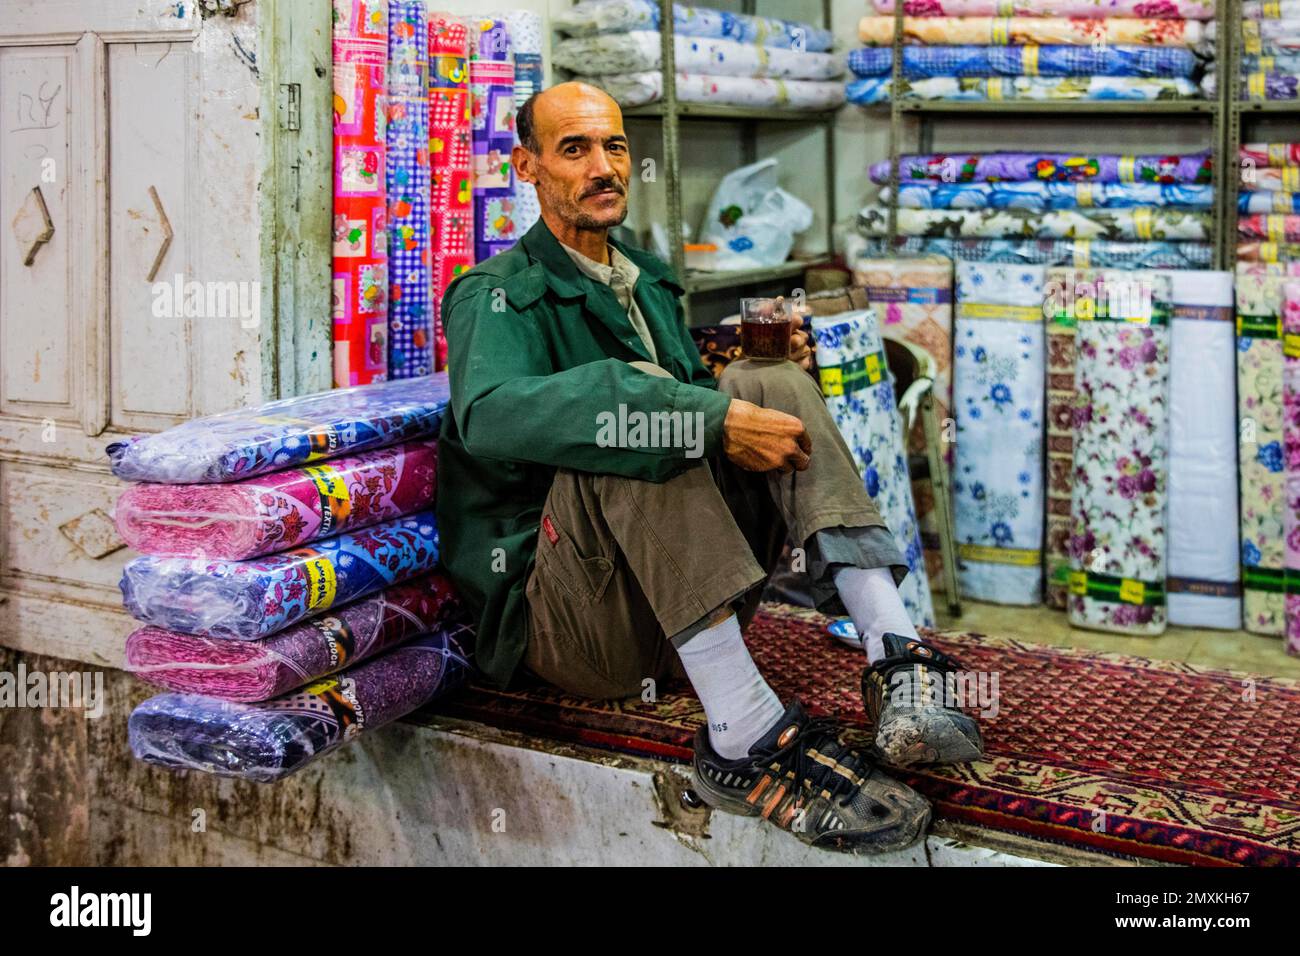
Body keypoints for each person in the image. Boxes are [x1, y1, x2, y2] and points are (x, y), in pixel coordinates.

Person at [436, 82, 982, 854]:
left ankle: (896, 654)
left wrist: (737, 392)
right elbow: (488, 414)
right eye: (574, 149)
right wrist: (690, 410)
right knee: (643, 416)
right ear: (527, 166)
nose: (604, 166)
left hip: (673, 605)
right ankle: (741, 734)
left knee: (773, 381)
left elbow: (707, 412)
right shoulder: (495, 296)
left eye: (616, 146)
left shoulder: (649, 279)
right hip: (570, 626)